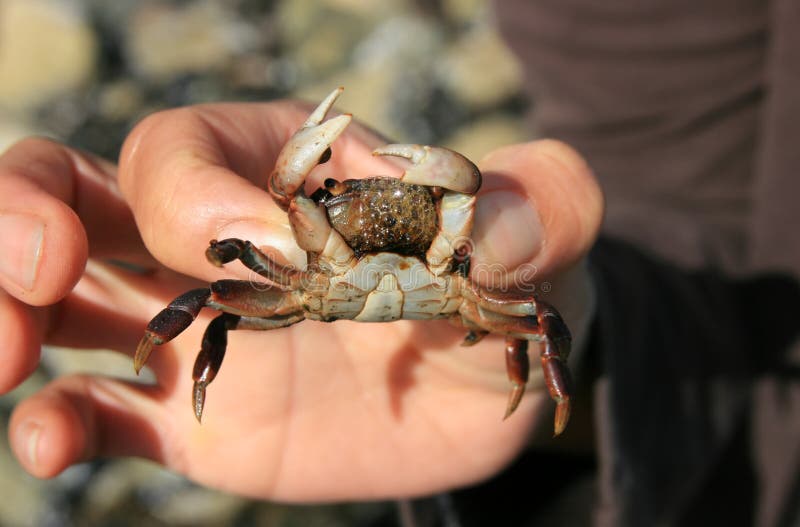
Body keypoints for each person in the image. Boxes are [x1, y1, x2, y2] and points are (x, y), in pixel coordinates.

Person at [2, 1, 799, 526]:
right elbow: (684, 182)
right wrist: (594, 370)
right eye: (346, 196)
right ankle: (191, 374)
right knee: (217, 293)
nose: (381, 207)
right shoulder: (315, 265)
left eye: (407, 193)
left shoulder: (466, 265)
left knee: (534, 323)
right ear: (316, 201)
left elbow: (532, 316)